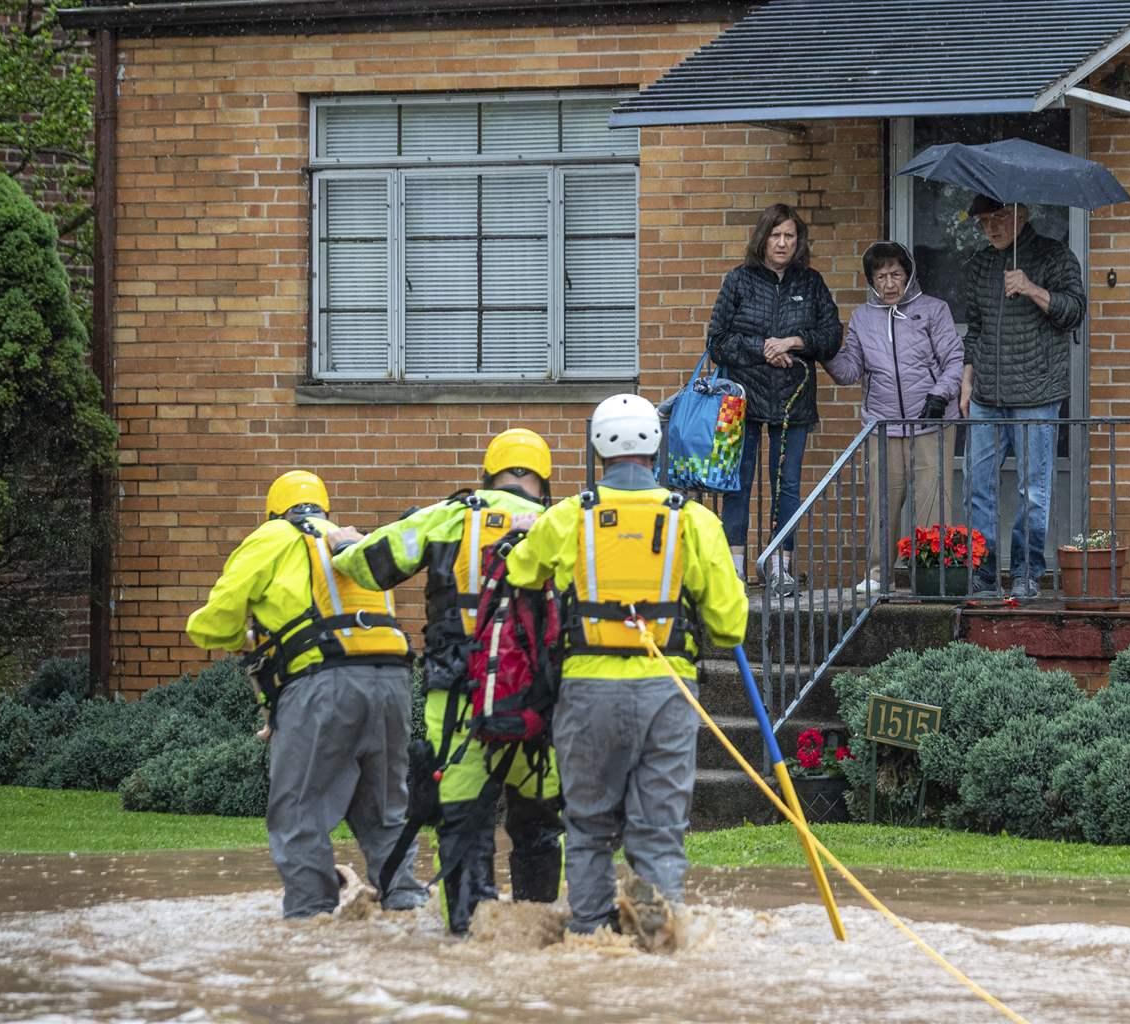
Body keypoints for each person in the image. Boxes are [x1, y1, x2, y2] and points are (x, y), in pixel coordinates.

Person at [505, 394, 748, 940]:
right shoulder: (695, 520)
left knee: (588, 826)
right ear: (657, 445)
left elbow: (520, 572)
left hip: (587, 690)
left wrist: (524, 535)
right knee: (660, 829)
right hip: (667, 691)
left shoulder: (569, 515)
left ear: (598, 447)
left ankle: (589, 934)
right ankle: (656, 937)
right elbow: (730, 626)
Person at [329, 429, 564, 935]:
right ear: (543, 484)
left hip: (458, 702)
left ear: (488, 475)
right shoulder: (562, 525)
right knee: (540, 827)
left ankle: (467, 935)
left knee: (463, 823)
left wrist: (344, 544)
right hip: (537, 709)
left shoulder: (449, 517)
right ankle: (540, 932)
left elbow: (369, 565)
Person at [185, 470, 426, 918]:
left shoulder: (273, 536)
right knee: (385, 813)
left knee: (298, 812)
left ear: (274, 512)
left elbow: (215, 620)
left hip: (324, 684)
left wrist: (241, 636)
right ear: (324, 509)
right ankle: (407, 906)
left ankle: (309, 919)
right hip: (394, 682)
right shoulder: (352, 540)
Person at [705, 203, 842, 595]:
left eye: (789, 236)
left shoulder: (811, 283)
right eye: (775, 235)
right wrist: (764, 348)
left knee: (788, 485)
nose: (782, 243)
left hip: (793, 399)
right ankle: (734, 567)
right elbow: (717, 341)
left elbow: (832, 336)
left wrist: (794, 341)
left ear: (798, 241)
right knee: (738, 482)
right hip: (743, 399)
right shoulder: (739, 280)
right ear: (762, 239)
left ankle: (780, 566)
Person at [958, 196, 1086, 600]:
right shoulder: (979, 265)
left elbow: (1074, 312)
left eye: (998, 218)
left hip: (1036, 392)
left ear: (1021, 214)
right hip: (986, 394)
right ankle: (982, 573)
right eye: (983, 222)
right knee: (977, 486)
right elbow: (975, 328)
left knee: (1033, 491)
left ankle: (1027, 572)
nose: (991, 228)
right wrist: (966, 379)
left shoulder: (1055, 255)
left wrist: (1031, 288)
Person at [824, 241, 962, 594]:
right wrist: (823, 352)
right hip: (883, 424)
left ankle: (932, 576)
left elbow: (954, 359)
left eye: (895, 274)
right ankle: (877, 575)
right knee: (882, 503)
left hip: (930, 420)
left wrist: (940, 394)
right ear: (871, 280)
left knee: (933, 502)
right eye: (881, 276)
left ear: (909, 275)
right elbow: (850, 370)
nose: (889, 283)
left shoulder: (934, 309)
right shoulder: (862, 317)